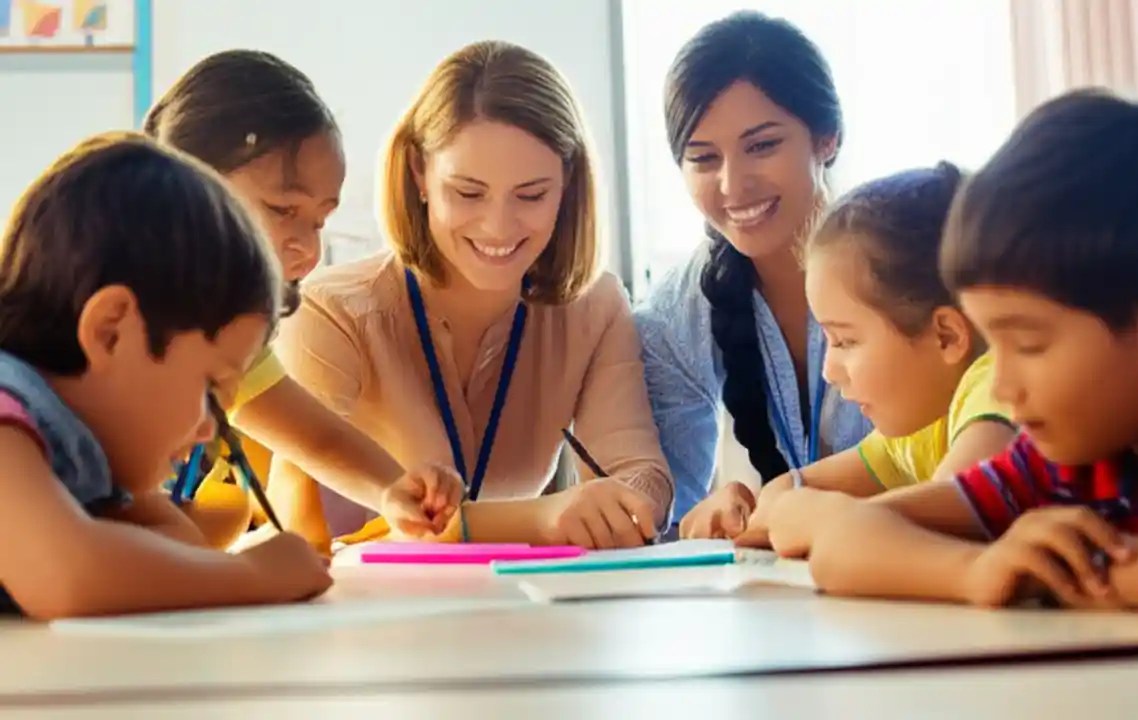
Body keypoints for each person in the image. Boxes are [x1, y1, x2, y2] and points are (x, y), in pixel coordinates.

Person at [765, 90, 1138, 615]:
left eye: (1029, 344)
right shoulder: (1060, 466)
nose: (1003, 387)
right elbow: (844, 545)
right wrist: (976, 571)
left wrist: (1080, 574)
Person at [273, 40, 672, 549]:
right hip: (360, 618)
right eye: (468, 192)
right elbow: (293, 512)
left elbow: (640, 473)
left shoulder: (595, 307)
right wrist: (538, 520)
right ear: (419, 173)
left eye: (531, 194)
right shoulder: (332, 312)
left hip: (517, 613)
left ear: (568, 183)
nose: (498, 226)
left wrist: (629, 500)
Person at [0, 133, 330, 619]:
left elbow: (182, 547)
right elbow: (66, 579)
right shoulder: (9, 414)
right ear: (112, 331)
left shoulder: (85, 457)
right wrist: (256, 577)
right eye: (210, 388)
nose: (208, 428)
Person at [144, 50, 462, 550]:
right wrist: (246, 579)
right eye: (281, 208)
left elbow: (317, 438)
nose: (309, 247)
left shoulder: (228, 334)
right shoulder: (107, 329)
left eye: (319, 220)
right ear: (182, 181)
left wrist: (394, 492)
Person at [635, 11, 871, 537]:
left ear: (826, 138)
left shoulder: (913, 263)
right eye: (703, 158)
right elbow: (663, 524)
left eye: (762, 146)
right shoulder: (676, 316)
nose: (732, 185)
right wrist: (707, 519)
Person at [737, 163, 1015, 545]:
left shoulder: (997, 387)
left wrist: (818, 519)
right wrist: (766, 509)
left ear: (947, 337)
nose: (830, 371)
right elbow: (795, 484)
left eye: (845, 341)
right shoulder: (921, 427)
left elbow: (968, 507)